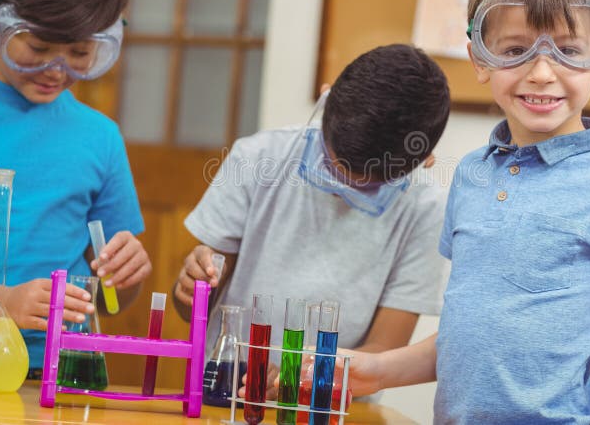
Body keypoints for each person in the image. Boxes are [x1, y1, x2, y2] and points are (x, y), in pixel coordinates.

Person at [341, 0, 590, 424]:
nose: (541, 72)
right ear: (480, 60)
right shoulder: (472, 176)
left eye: (569, 50)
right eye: (516, 51)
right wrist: (373, 371)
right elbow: (473, 340)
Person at [0, 0, 151, 375]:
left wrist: (126, 275)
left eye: (80, 53)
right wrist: (1, 301)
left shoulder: (99, 137)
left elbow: (113, 299)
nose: (56, 70)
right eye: (38, 48)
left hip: (60, 371)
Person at [173, 44, 451, 368]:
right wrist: (192, 288)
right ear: (325, 98)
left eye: (366, 188)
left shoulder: (425, 209)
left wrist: (294, 379)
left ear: (424, 160)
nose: (339, 190)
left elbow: (384, 349)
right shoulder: (257, 158)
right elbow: (192, 309)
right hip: (226, 386)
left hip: (337, 407)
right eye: (331, 170)